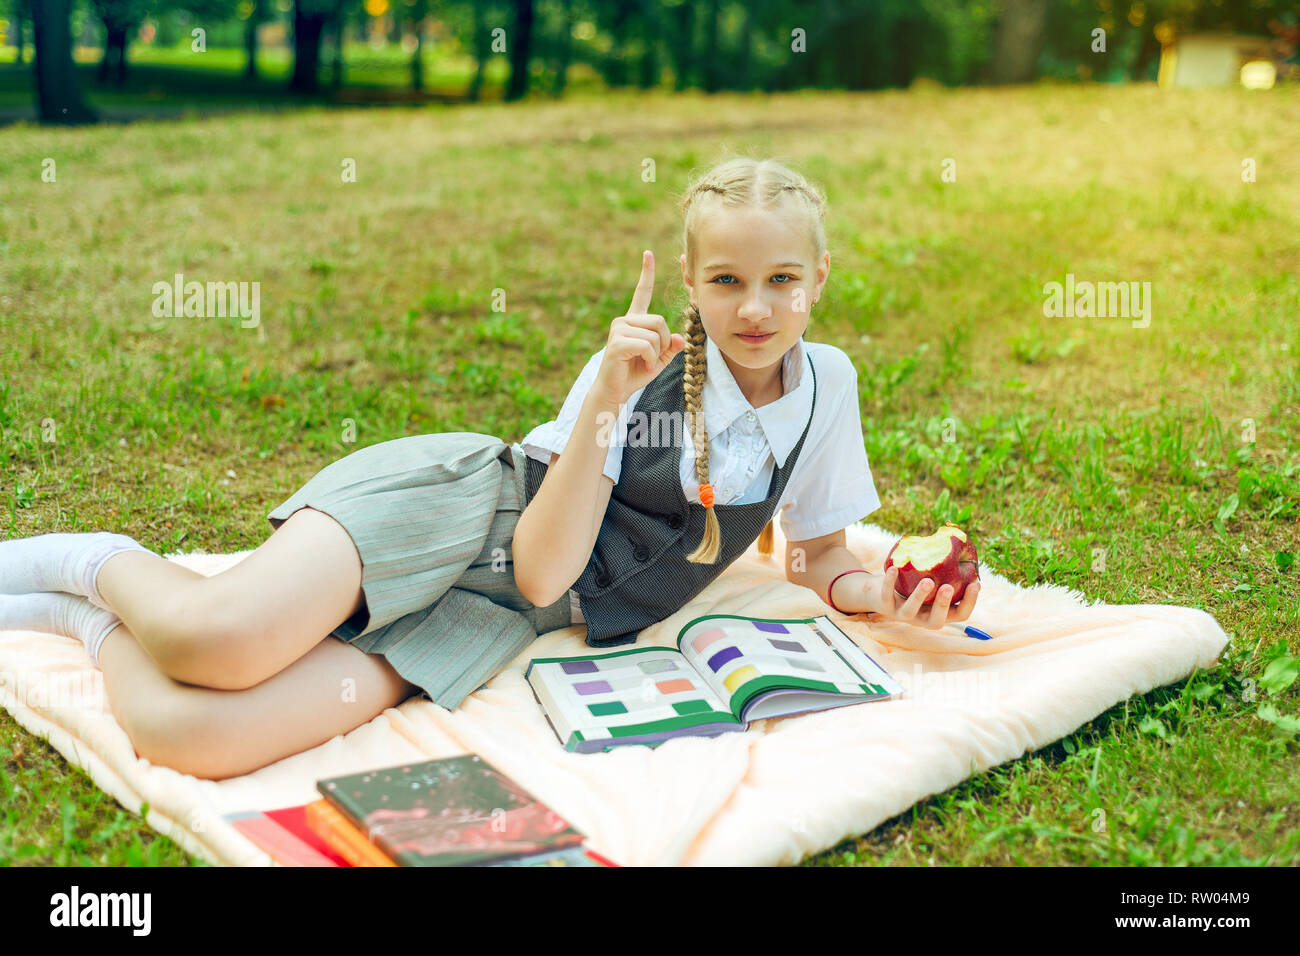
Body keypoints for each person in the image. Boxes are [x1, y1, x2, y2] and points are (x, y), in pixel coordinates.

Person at [0, 156, 978, 780]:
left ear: (820, 280)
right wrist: (605, 397)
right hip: (463, 512)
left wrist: (879, 588)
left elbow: (814, 553)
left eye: (781, 280)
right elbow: (547, 564)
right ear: (689, 284)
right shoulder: (636, 374)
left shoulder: (827, 383)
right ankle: (95, 558)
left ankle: (74, 617)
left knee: (196, 734)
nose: (754, 308)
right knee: (215, 643)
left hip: (500, 612)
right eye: (725, 280)